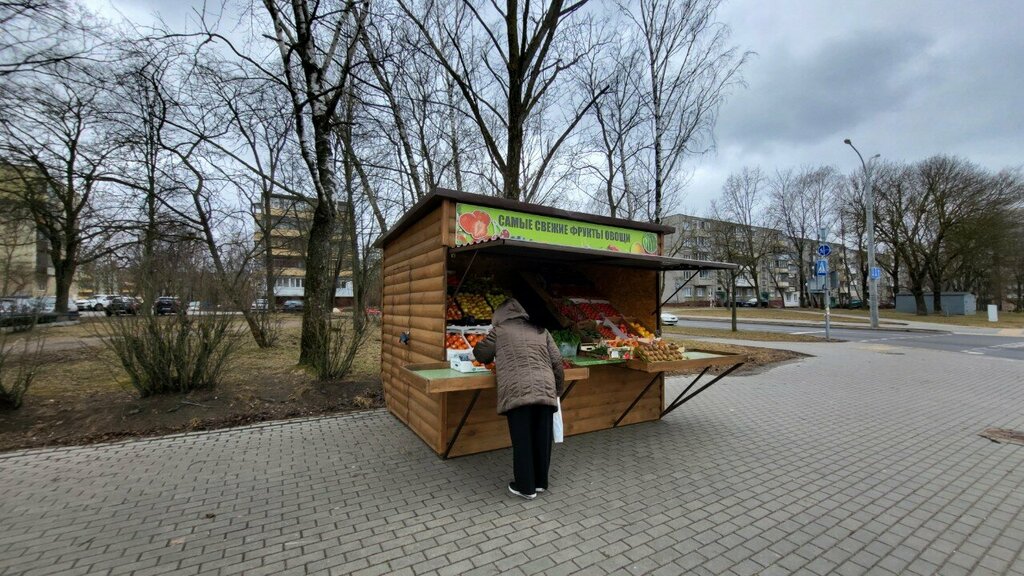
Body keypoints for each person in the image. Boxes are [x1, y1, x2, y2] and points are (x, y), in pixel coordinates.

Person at [473, 297, 564, 500]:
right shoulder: (540, 329)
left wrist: (478, 347)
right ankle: (540, 483)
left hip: (518, 391)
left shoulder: (501, 331)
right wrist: (557, 391)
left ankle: (525, 487)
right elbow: (557, 361)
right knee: (542, 438)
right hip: (545, 390)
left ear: (500, 315)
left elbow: (482, 354)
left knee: (523, 440)